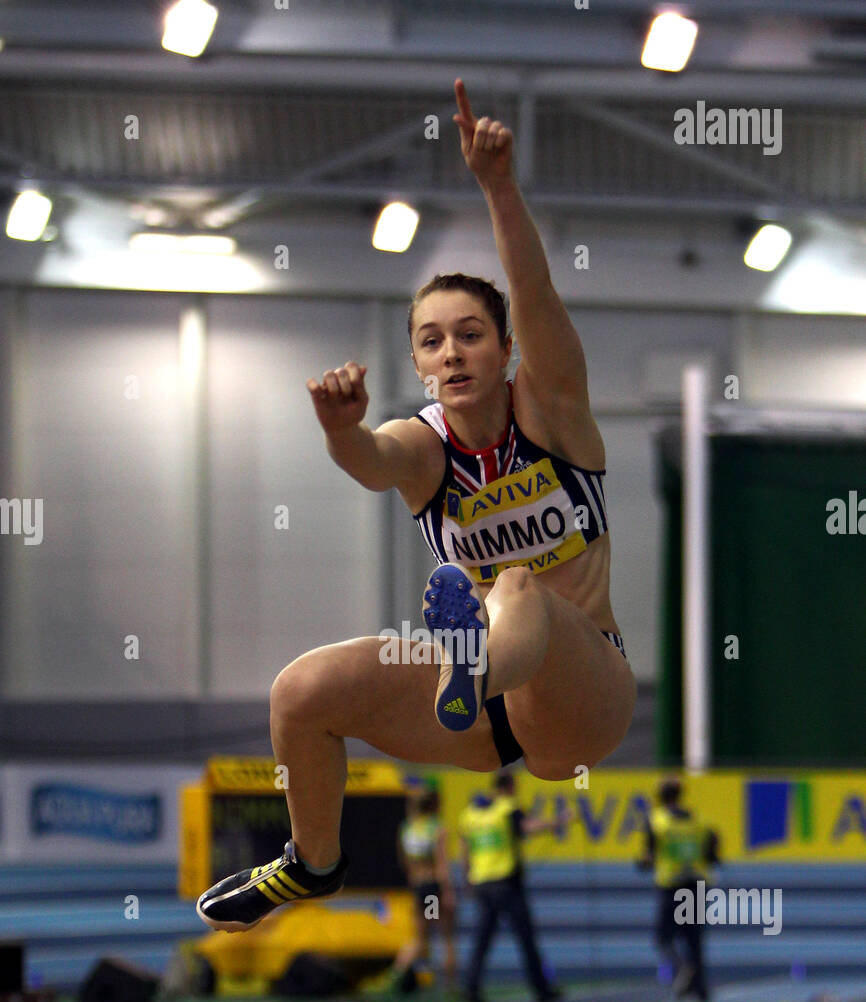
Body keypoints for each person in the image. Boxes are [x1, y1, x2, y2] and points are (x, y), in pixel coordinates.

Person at [196, 77, 636, 933]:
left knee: (517, 586)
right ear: (421, 362)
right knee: (301, 692)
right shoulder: (426, 445)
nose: (452, 351)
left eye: (471, 333)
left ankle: (472, 663)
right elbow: (371, 461)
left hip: (583, 693)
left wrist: (498, 188)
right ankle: (313, 863)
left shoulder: (554, 416)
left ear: (505, 351)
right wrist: (338, 429)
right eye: (432, 341)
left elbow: (538, 298)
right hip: (478, 721)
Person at [459, 772, 566, 1002]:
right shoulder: (507, 808)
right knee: (526, 938)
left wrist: (467, 878)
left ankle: (471, 988)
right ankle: (541, 990)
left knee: (482, 939)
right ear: (507, 787)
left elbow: (465, 848)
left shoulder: (471, 814)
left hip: (482, 883)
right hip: (506, 882)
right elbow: (527, 827)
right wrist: (557, 822)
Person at [640, 777, 721, 1002]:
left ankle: (681, 969)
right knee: (694, 938)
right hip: (697, 883)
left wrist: (644, 863)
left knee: (663, 937)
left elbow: (649, 855)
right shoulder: (699, 821)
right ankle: (701, 989)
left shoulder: (657, 821)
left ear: (660, 797)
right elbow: (713, 848)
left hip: (671, 884)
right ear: (680, 795)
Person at [390, 781, 457, 993]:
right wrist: (447, 891)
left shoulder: (407, 828)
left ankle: (396, 974)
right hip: (433, 888)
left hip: (418, 886)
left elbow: (403, 862)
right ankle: (449, 987)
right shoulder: (437, 828)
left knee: (420, 937)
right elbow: (441, 864)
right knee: (445, 937)